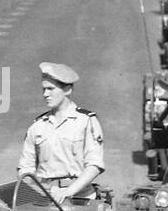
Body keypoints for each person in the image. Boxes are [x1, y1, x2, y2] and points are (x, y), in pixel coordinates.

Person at [17, 62, 104, 202]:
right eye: (44, 89)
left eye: (51, 89)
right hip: (45, 198)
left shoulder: (86, 121)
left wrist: (68, 191)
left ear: (67, 90)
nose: (45, 94)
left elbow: (94, 165)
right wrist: (37, 191)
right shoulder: (37, 126)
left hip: (80, 198)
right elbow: (25, 168)